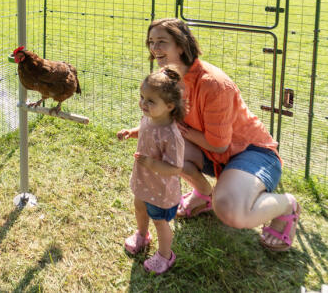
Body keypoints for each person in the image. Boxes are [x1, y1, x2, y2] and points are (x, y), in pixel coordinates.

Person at [145, 17, 300, 251]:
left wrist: (181, 129)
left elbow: (218, 145)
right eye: (151, 42)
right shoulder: (168, 78)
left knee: (230, 210)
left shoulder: (213, 83)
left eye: (161, 41)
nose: (155, 48)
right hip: (214, 153)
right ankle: (204, 194)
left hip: (252, 153)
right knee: (160, 147)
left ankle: (287, 205)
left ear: (181, 45)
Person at [117, 66, 185, 274]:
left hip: (160, 190)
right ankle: (142, 234)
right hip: (143, 181)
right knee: (139, 207)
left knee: (160, 222)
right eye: (142, 97)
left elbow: (175, 168)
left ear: (170, 106)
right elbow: (144, 131)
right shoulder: (149, 119)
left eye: (150, 101)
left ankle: (165, 255)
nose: (143, 104)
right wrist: (132, 132)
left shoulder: (171, 135)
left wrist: (152, 164)